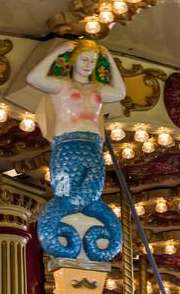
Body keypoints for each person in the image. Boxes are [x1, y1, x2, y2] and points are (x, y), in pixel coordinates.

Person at [26, 38, 127, 261]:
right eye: (84, 59)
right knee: (66, 192)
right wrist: (59, 50)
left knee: (92, 190)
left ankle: (88, 215)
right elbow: (33, 78)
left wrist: (109, 59)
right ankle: (66, 223)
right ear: (73, 60)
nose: (88, 64)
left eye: (92, 60)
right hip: (67, 145)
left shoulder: (97, 87)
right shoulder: (61, 85)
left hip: (92, 144)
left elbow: (120, 92)